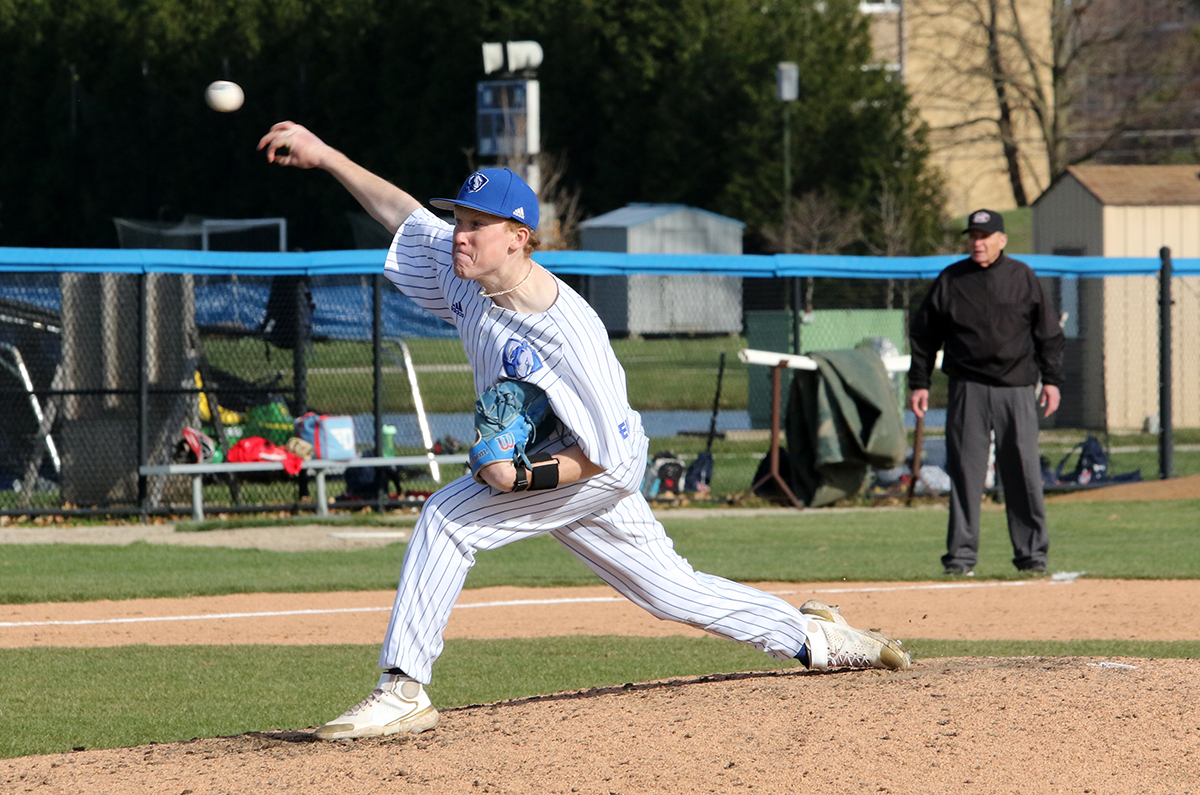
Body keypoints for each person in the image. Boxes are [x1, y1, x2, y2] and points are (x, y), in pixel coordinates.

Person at [258, 121, 912, 741]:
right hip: (562, 454)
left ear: (519, 237)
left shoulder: (568, 332)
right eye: (459, 220)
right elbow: (402, 214)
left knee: (448, 517)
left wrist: (519, 477)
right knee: (668, 588)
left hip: (598, 461)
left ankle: (403, 688)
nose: (459, 234)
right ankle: (814, 638)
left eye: (476, 225)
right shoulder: (467, 272)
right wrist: (325, 155)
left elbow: (599, 454)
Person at [908, 209, 1065, 577]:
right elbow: (924, 336)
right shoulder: (952, 279)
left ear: (1001, 240)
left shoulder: (1022, 277)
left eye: (985, 235)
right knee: (965, 473)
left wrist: (1053, 380)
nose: (977, 242)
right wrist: (920, 382)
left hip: (1017, 389)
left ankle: (1032, 556)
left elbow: (1049, 335)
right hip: (968, 389)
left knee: (1023, 473)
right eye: (973, 236)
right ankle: (961, 558)